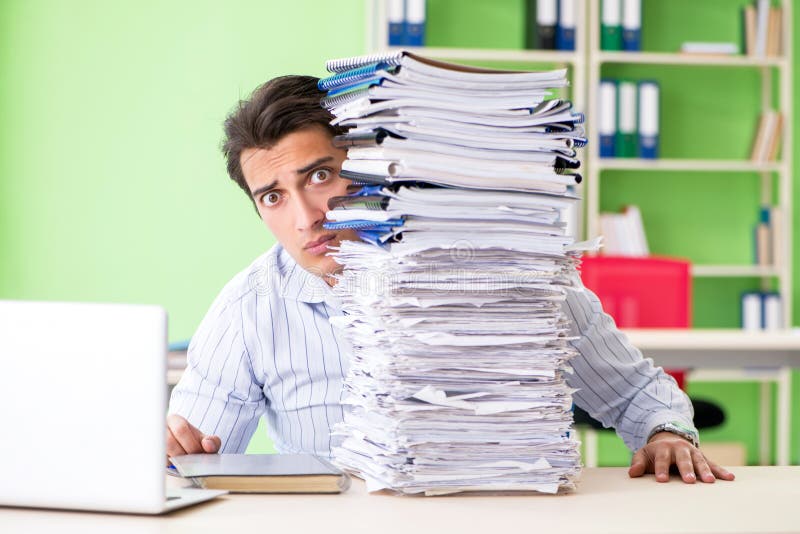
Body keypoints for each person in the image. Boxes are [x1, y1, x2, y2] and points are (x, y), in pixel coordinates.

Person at [167, 75, 735, 485]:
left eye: (320, 175)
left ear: (368, 162)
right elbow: (199, 457)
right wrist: (175, 452)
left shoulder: (508, 265)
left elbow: (637, 393)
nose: (304, 216)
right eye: (273, 197)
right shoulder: (250, 306)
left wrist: (667, 435)